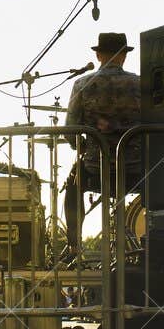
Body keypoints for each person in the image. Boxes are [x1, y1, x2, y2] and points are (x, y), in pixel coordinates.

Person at [63, 32, 141, 255]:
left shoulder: (83, 84)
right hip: (137, 170)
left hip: (97, 169)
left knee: (73, 185)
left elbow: (70, 131)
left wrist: (82, 148)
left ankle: (74, 242)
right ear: (124, 56)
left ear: (98, 55)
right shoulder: (140, 85)